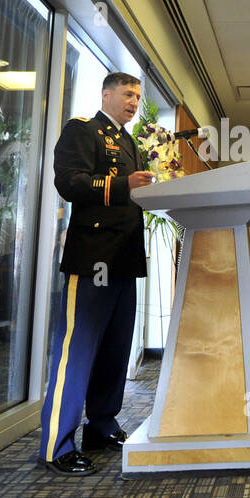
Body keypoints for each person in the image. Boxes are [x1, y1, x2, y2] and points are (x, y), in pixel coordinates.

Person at [38, 72, 153, 476]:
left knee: (115, 349)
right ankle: (57, 444)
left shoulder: (129, 142)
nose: (133, 102)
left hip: (123, 259)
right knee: (78, 349)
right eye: (127, 94)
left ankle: (101, 425)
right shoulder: (82, 130)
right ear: (106, 94)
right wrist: (124, 185)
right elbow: (69, 183)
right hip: (92, 259)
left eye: (137, 96)